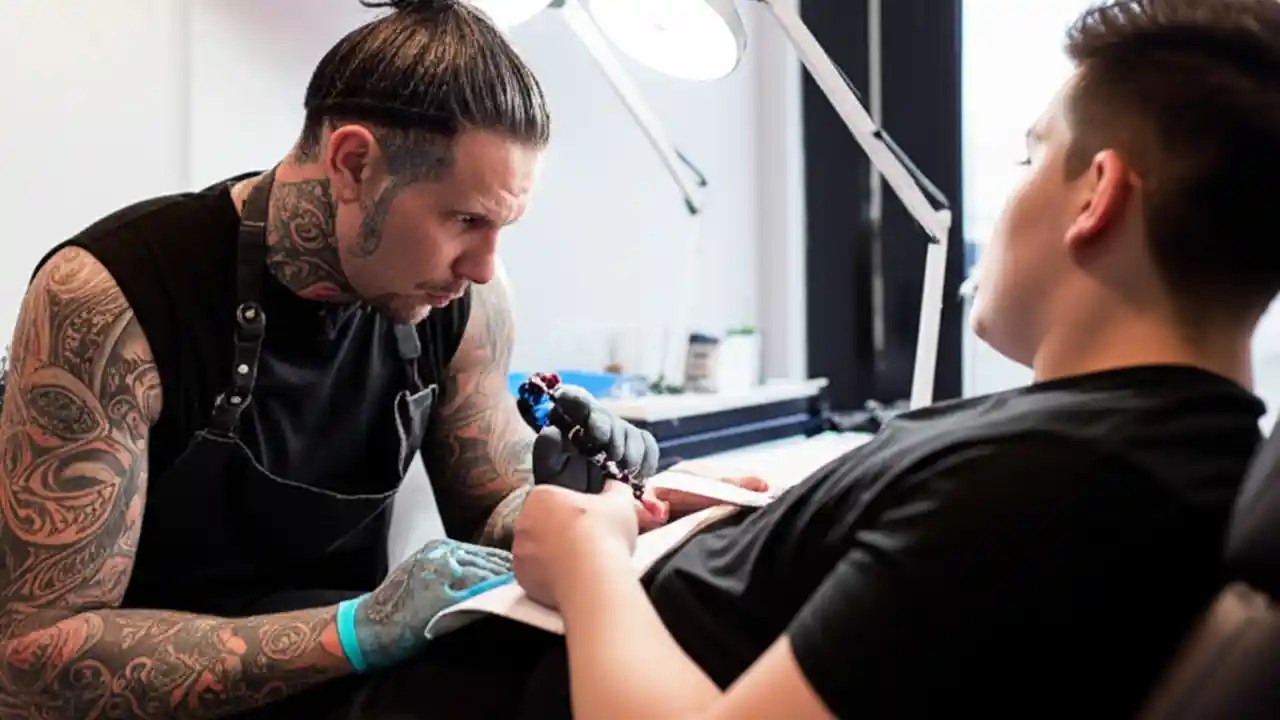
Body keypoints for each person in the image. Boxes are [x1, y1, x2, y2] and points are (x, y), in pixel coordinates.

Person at [502, 0, 1280, 718]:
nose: (1008, 200)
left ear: (1094, 197)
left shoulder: (1053, 484)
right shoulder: (1145, 441)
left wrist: (586, 563)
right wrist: (760, 524)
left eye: (1028, 158)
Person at [0, 1, 752, 717]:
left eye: (502, 228)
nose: (485, 267)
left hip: (348, 694)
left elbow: (492, 503)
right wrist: (354, 629)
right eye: (465, 220)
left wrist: (603, 509)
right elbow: (33, 660)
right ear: (354, 164)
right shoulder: (111, 301)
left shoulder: (466, 305)